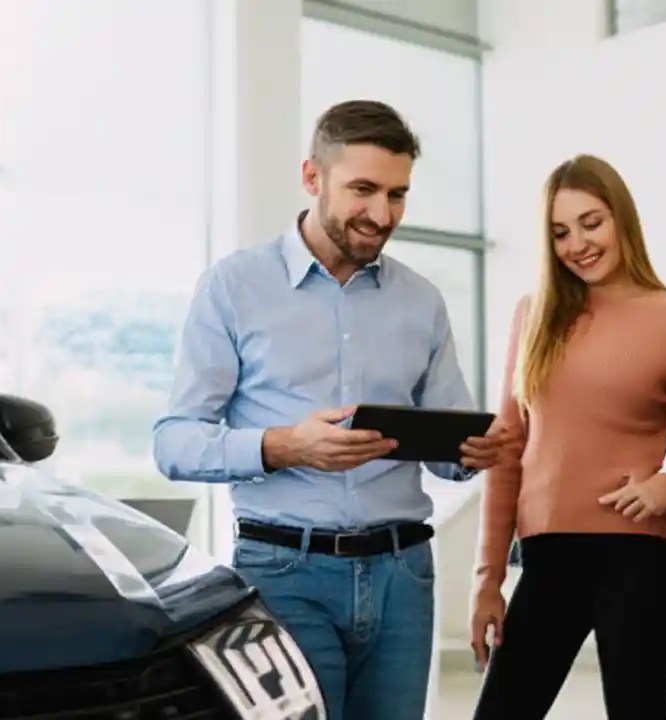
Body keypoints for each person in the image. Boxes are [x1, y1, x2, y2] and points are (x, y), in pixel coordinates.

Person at [152, 99, 513, 720]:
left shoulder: (421, 301)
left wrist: (473, 453)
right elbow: (175, 442)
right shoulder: (234, 287)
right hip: (286, 573)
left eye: (398, 195)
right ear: (312, 177)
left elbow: (449, 452)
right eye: (363, 190)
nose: (382, 214)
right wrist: (286, 445)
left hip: (404, 575)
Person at [469, 154, 666, 720]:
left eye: (591, 223)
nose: (577, 244)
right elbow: (507, 452)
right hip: (547, 560)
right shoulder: (536, 314)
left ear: (622, 218)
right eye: (560, 232)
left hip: (639, 558)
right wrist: (488, 580)